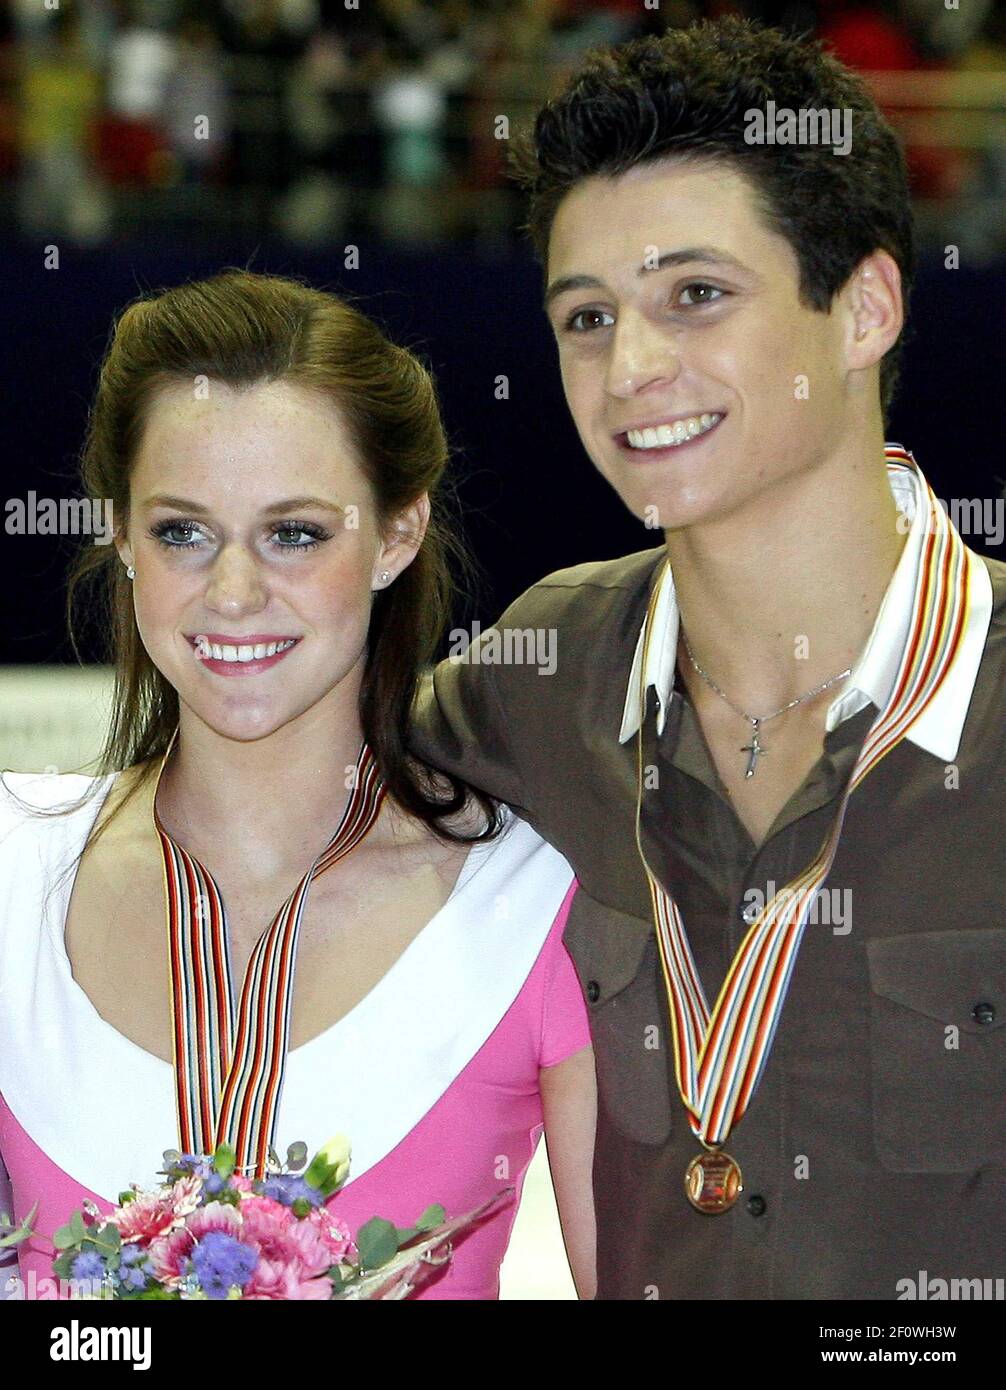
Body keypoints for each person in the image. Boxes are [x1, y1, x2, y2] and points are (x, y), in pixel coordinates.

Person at [410, 17, 1006, 1299]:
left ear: (863, 306)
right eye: (585, 316)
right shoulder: (527, 684)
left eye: (695, 294)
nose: (630, 369)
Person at [0, 270, 597, 1302]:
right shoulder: (14, 861)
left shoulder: (536, 903)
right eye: (182, 531)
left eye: (296, 532)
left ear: (397, 534)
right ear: (121, 535)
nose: (233, 591)